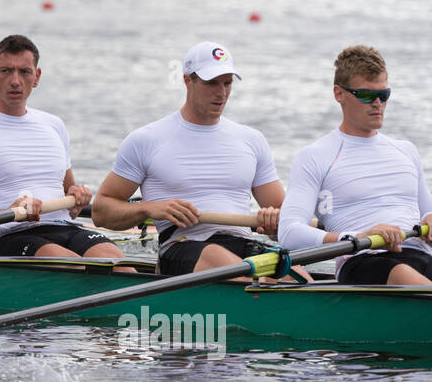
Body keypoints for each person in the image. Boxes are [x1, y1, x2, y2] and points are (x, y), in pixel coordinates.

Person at [94, 42, 308, 280]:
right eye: (212, 83)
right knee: (223, 261)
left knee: (300, 280)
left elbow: (287, 219)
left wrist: (275, 225)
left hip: (242, 244)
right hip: (182, 246)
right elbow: (101, 212)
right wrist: (148, 207)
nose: (222, 92)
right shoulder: (146, 140)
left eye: (228, 83)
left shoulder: (252, 140)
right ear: (187, 81)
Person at [278, 45, 432, 286]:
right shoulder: (315, 156)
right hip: (363, 259)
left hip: (419, 254)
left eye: (384, 95)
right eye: (366, 95)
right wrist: (359, 237)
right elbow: (289, 233)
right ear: (339, 94)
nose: (377, 103)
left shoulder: (406, 151)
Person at [0, 34, 127, 264]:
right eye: (6, 71)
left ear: (37, 77)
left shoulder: (54, 125)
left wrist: (77, 196)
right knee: (69, 264)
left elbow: (69, 198)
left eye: (24, 72)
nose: (15, 81)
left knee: (117, 262)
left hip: (64, 227)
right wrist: (7, 211)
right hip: (9, 234)